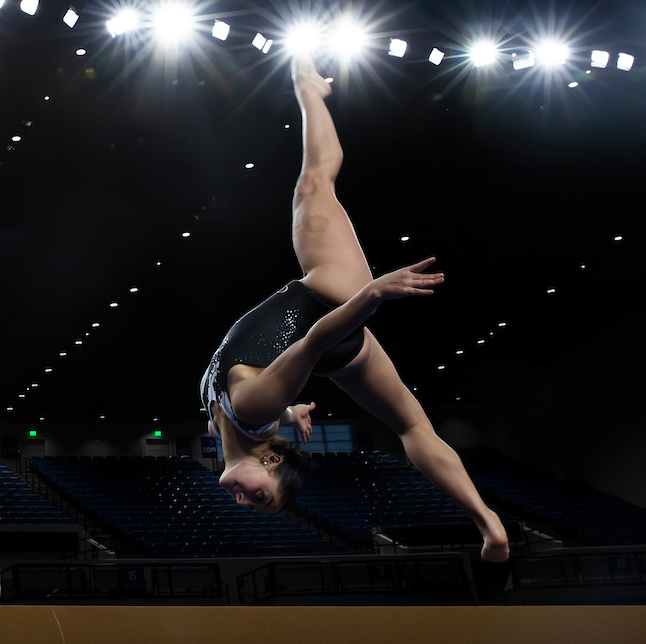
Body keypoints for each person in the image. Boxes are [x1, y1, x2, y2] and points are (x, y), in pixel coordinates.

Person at [200, 53, 510, 563]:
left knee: (413, 428)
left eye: (246, 501)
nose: (241, 496)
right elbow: (312, 340)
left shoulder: (231, 426)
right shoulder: (251, 412)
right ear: (274, 461)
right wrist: (371, 294)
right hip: (333, 302)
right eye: (260, 495)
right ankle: (308, 90)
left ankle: (488, 524)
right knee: (315, 184)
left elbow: (280, 389)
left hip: (335, 340)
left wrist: (293, 407)